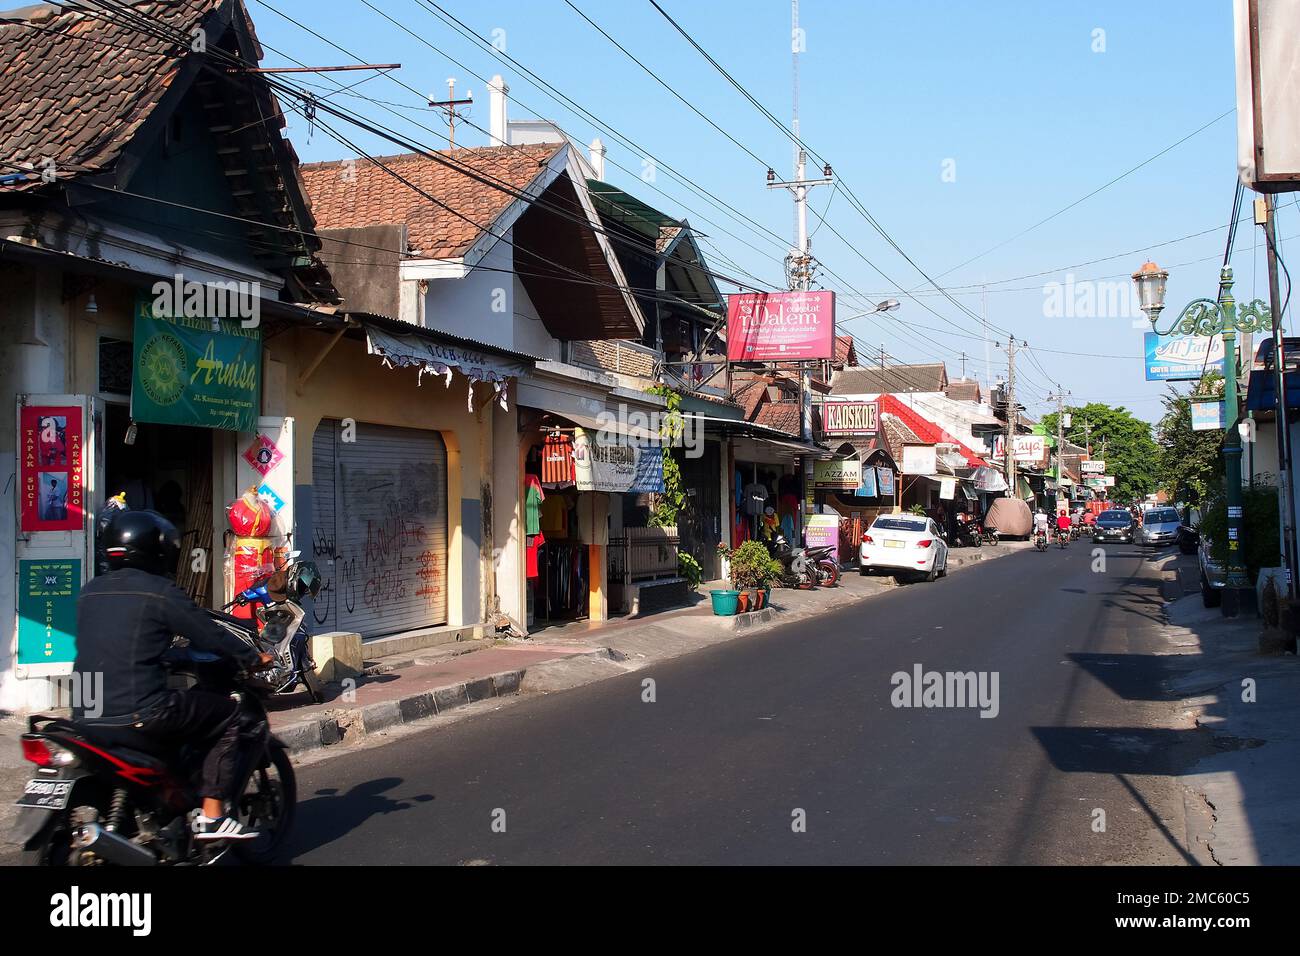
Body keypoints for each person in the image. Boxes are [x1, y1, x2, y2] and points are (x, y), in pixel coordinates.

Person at [73, 510, 274, 841]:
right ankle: (212, 817)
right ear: (158, 550)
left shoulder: (90, 591)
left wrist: (166, 656)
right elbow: (208, 633)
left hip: (86, 711)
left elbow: (115, 644)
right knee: (229, 714)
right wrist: (251, 657)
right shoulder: (159, 591)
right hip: (139, 711)